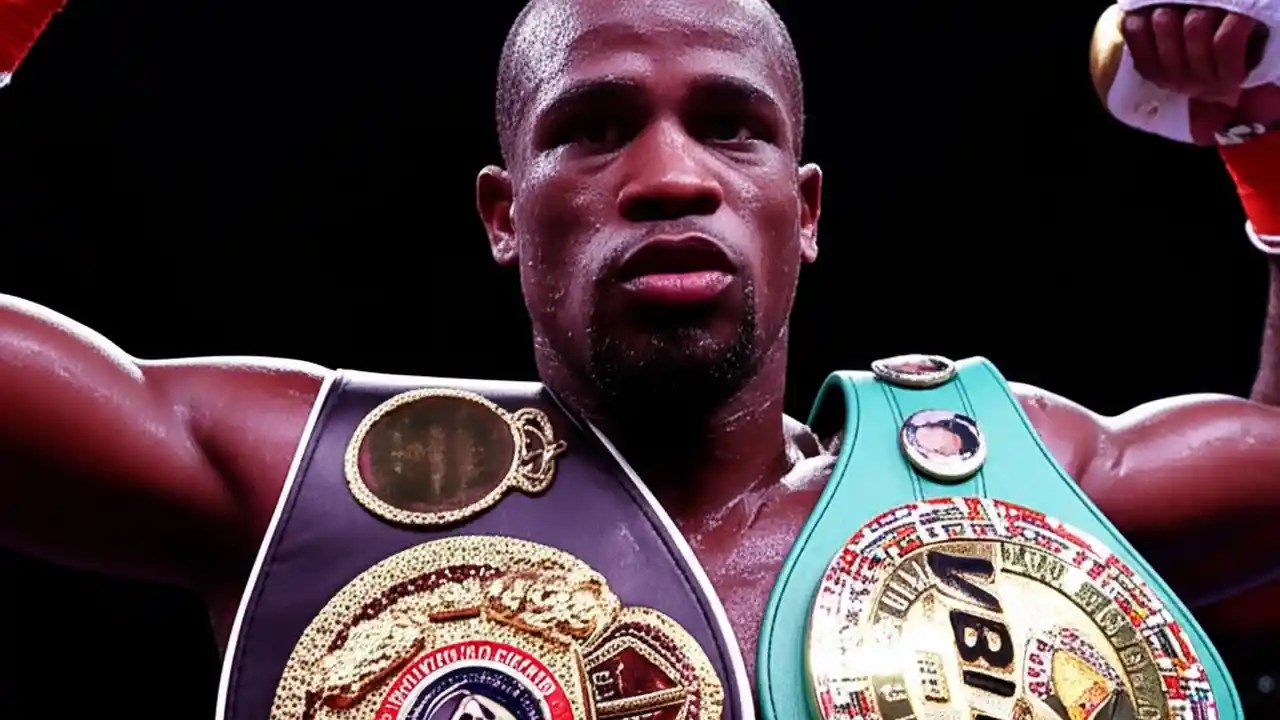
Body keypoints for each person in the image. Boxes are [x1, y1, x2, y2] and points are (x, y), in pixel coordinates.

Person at [2, 0, 1280, 712]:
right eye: (596, 129)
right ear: (505, 214)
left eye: (730, 128)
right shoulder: (298, 479)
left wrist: (1269, 131)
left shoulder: (1027, 480)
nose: (670, 177)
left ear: (807, 207)